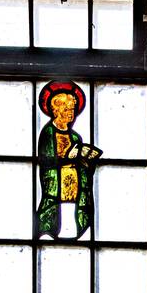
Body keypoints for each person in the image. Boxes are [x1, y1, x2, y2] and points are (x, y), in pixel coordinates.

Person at [35, 81, 101, 239]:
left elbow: (83, 167)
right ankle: (50, 233)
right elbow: (46, 162)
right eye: (67, 109)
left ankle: (76, 232)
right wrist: (66, 159)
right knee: (54, 217)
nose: (71, 113)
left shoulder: (75, 137)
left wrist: (87, 161)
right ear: (56, 110)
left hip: (75, 186)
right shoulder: (48, 133)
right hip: (56, 186)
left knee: (73, 217)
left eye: (72, 109)